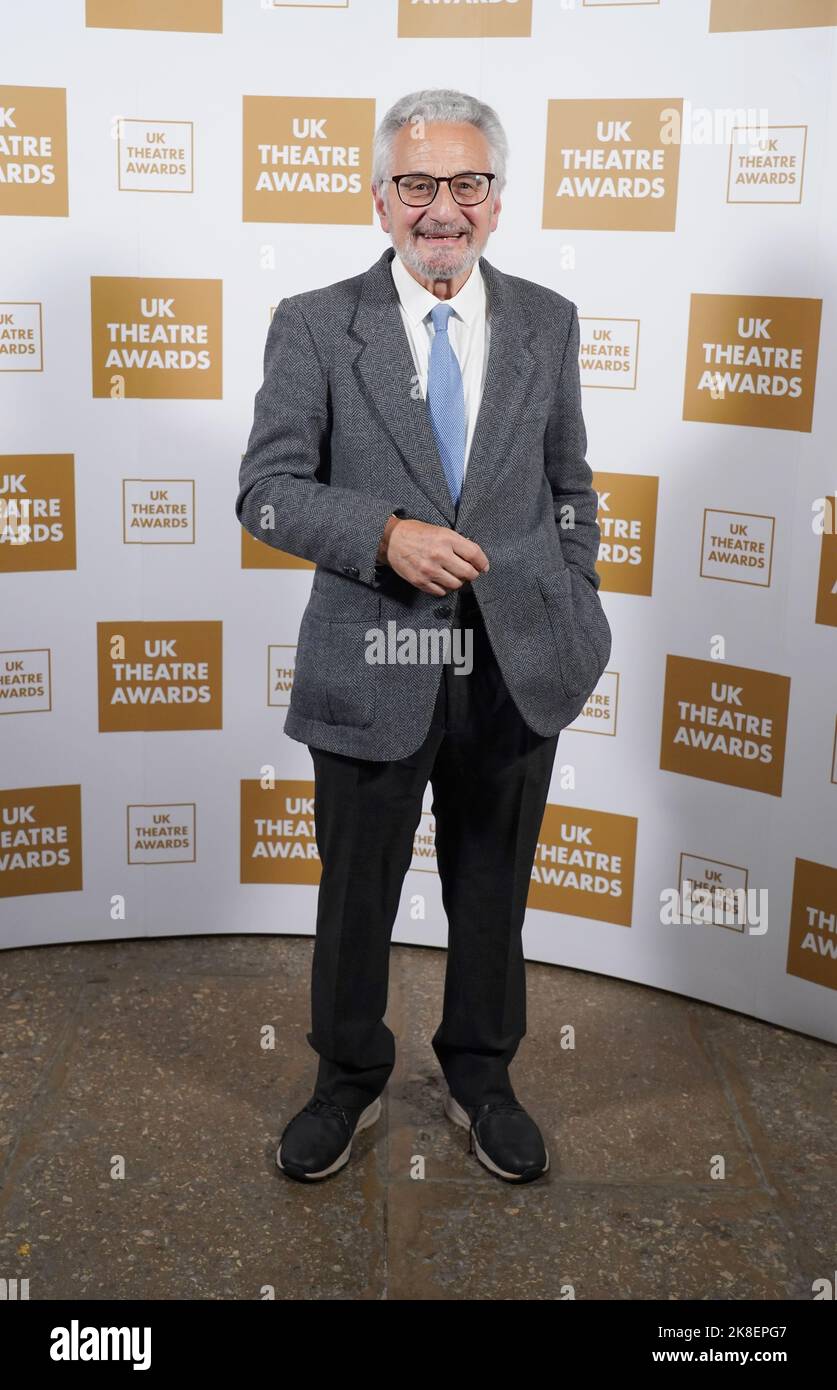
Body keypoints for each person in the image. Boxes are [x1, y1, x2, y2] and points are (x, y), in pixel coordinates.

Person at [236, 88, 611, 1185]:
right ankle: (346, 1080)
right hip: (371, 660)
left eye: (466, 183)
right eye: (417, 184)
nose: (441, 207)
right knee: (356, 889)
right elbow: (266, 491)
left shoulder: (547, 319)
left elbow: (570, 484)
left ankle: (482, 1074)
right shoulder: (314, 322)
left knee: (494, 882)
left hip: (515, 663)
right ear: (380, 199)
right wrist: (385, 534)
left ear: (497, 200)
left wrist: (573, 595)